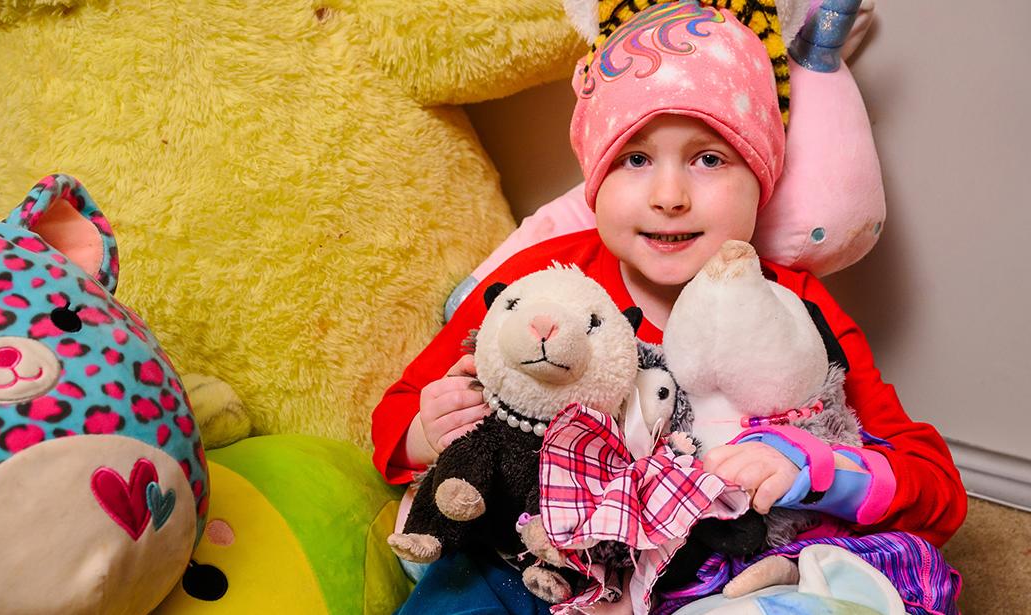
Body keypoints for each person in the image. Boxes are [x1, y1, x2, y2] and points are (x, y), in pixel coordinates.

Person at [371, 2, 965, 613]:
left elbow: (934, 487)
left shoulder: (794, 306)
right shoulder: (544, 277)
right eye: (635, 158)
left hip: (715, 573)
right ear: (596, 177)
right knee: (458, 584)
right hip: (537, 561)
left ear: (761, 177)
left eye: (710, 159)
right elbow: (391, 422)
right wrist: (424, 431)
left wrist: (816, 470)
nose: (670, 196)